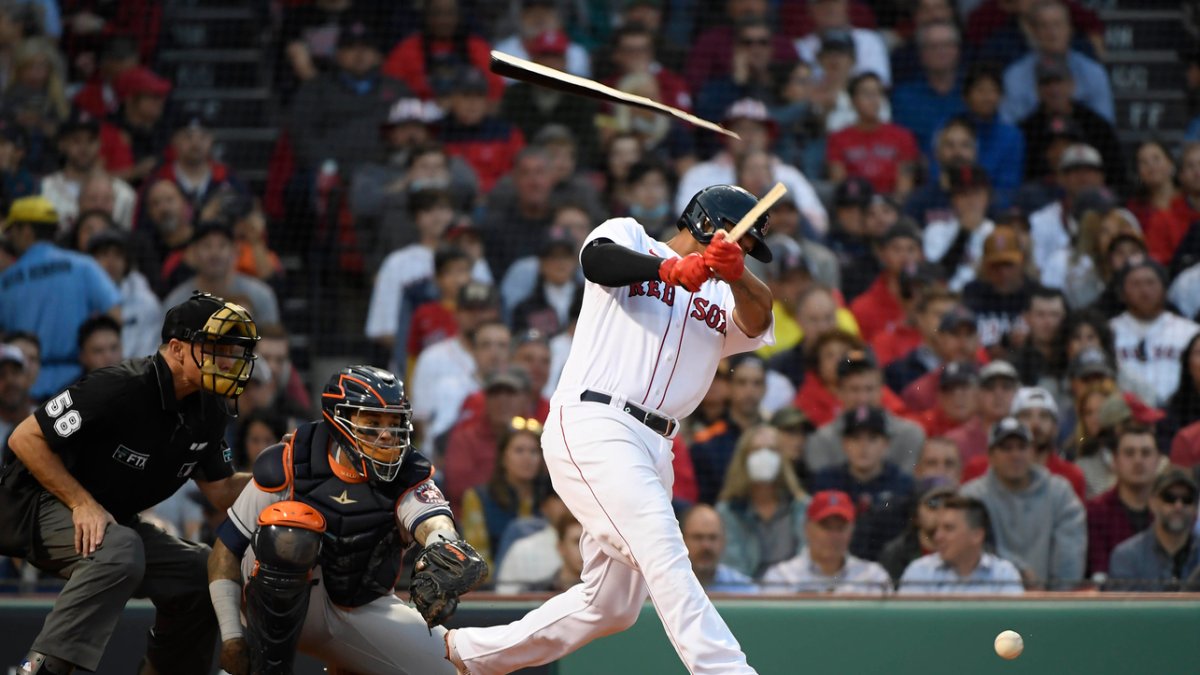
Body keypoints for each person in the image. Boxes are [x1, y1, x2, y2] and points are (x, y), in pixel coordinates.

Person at [445, 184, 775, 674]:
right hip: (597, 420)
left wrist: (738, 273)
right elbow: (596, 260)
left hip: (657, 446)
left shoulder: (727, 292)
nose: (743, 250)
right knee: (664, 553)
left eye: (748, 248)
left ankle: (462, 654)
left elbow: (759, 319)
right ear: (707, 223)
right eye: (739, 239)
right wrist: (668, 270)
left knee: (611, 605)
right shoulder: (632, 236)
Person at [0, 292, 258, 674]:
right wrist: (81, 503)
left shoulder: (209, 408)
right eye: (216, 348)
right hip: (30, 504)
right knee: (120, 548)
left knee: (202, 573)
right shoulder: (121, 386)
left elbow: (221, 491)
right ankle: (39, 670)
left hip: (111, 519)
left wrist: (284, 476)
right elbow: (24, 438)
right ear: (177, 348)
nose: (228, 361)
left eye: (233, 351)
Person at [206, 365, 487, 674]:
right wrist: (232, 636)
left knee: (455, 668)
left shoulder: (409, 471)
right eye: (373, 422)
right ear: (339, 422)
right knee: (289, 530)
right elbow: (226, 550)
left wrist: (441, 545)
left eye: (393, 423)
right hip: (273, 608)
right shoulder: (292, 459)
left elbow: (433, 521)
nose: (386, 435)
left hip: (360, 603)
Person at [0, 196, 120, 400]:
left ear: (26, 231)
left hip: (24, 386)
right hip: (78, 382)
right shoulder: (83, 266)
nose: (9, 238)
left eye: (12, 231)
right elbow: (115, 316)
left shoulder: (6, 281)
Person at [960, 417, 1086, 588]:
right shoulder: (971, 496)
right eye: (1006, 448)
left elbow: (1070, 556)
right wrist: (1019, 571)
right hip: (990, 595)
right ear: (991, 455)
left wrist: (1054, 597)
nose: (1015, 455)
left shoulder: (1060, 493)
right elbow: (971, 549)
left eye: (1022, 447)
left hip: (1049, 597)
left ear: (1032, 452)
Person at [715, 425, 809, 579]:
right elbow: (733, 569)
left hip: (792, 589)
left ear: (782, 458)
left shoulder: (801, 507)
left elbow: (806, 561)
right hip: (744, 591)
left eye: (771, 450)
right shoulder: (728, 511)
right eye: (757, 450)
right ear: (743, 459)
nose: (764, 456)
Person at [999, 0, 1113, 125]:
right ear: (1033, 32)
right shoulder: (1015, 75)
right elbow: (1009, 125)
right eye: (1044, 26)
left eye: (1057, 25)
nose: (1052, 33)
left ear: (1070, 29)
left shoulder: (1093, 73)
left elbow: (1104, 126)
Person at [760, 490, 891, 595]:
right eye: (825, 526)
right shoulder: (782, 577)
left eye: (840, 527)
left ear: (851, 530)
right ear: (807, 528)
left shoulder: (873, 578)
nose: (833, 535)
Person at [459, 416, 546, 573]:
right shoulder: (477, 498)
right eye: (519, 450)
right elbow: (478, 562)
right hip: (496, 584)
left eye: (534, 451)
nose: (527, 458)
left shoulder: (552, 498)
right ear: (503, 457)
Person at [1110, 257, 1200, 407]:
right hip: (1126, 413)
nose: (1144, 290)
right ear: (1122, 293)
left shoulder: (1190, 332)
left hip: (1181, 410)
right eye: (1135, 284)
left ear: (1164, 288)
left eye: (1150, 283)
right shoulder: (1109, 332)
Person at [161, 220, 281, 328]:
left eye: (222, 245)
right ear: (193, 254)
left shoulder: (260, 296)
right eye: (206, 246)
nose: (215, 253)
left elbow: (273, 341)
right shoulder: (177, 303)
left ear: (235, 251)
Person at [898, 495, 1024, 594]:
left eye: (948, 528)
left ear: (977, 535)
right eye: (937, 529)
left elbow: (1012, 619)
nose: (938, 537)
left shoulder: (1003, 574)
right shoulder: (919, 572)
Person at [826, 73, 919, 199]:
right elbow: (840, 185)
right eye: (866, 94)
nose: (873, 99)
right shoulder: (838, 139)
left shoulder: (903, 137)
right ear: (852, 101)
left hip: (892, 205)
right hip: (854, 204)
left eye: (878, 93)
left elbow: (905, 187)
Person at [1107, 468, 1200, 592]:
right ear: (1152, 502)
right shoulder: (1126, 557)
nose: (1178, 506)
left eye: (1187, 499)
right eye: (1169, 498)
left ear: (1195, 507)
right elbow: (1123, 604)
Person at [1086, 425, 1160, 579]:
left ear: (1158, 460)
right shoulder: (1095, 512)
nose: (1138, 460)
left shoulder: (1171, 509)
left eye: (1146, 453)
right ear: (1115, 460)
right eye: (1129, 453)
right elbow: (1098, 575)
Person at [683, 503, 759, 593]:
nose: (706, 545)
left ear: (723, 541)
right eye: (698, 537)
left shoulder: (744, 590)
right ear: (682, 541)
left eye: (713, 538)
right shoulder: (670, 585)